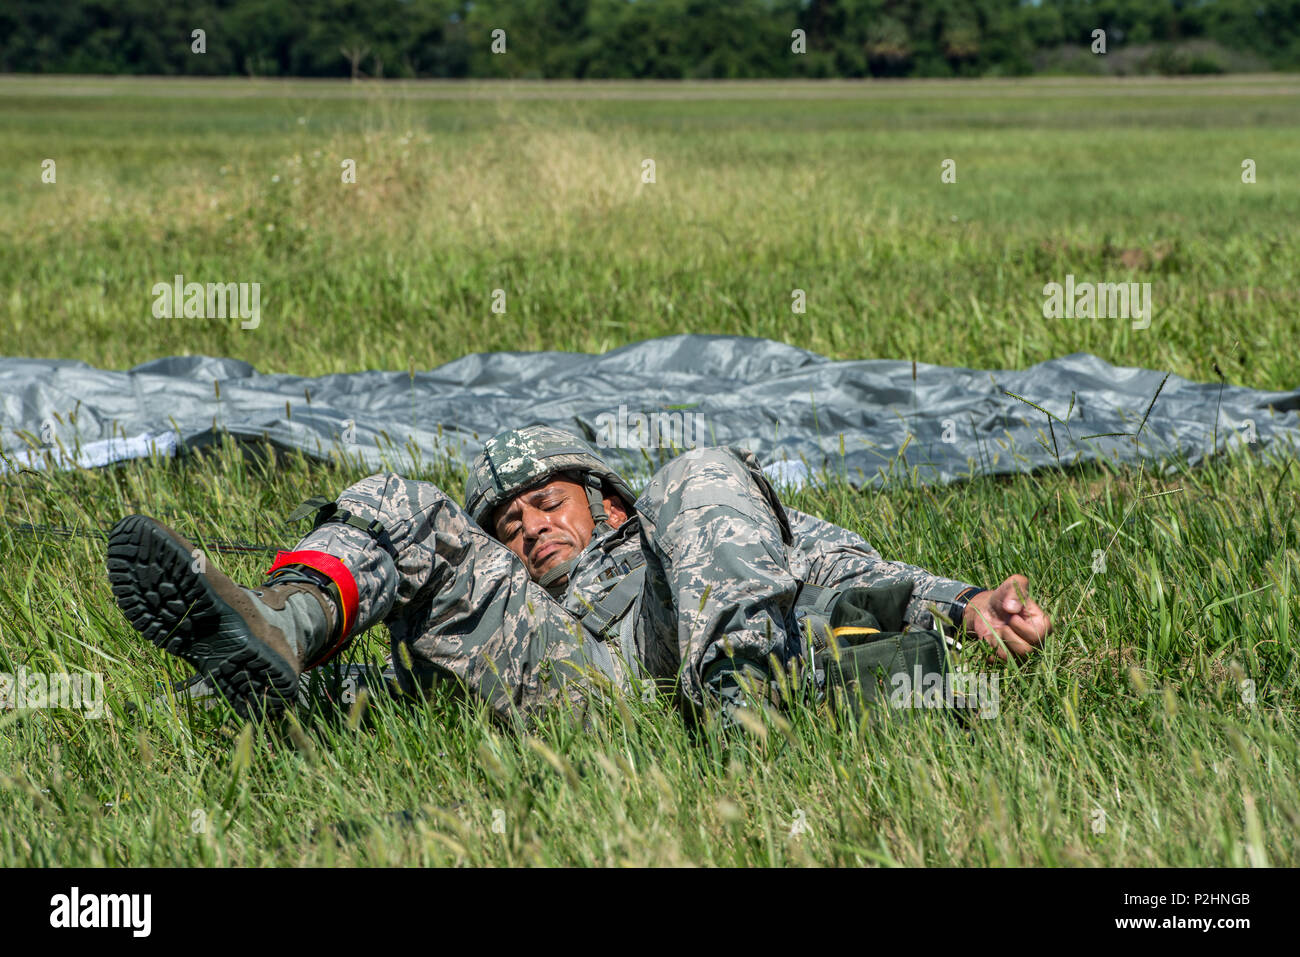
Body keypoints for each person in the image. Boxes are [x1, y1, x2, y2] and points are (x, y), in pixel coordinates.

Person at [107, 424, 1052, 726]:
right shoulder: (516, 594)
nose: (527, 530)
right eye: (508, 524)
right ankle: (286, 622)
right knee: (397, 497)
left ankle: (742, 706)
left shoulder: (682, 519)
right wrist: (234, 691)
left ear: (605, 500)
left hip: (704, 647)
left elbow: (847, 567)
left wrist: (965, 602)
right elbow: (418, 675)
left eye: (545, 505)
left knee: (702, 464)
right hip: (565, 676)